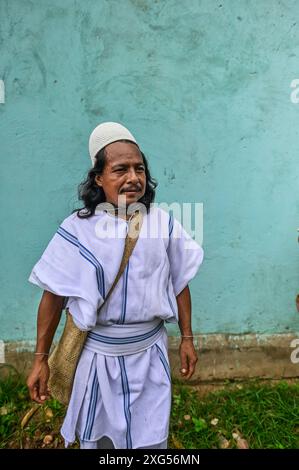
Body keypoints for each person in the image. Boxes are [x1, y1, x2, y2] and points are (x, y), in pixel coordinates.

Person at [26, 122, 204, 449]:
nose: (133, 178)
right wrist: (40, 358)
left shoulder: (163, 223)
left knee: (150, 441)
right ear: (99, 178)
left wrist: (188, 338)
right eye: (120, 169)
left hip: (150, 357)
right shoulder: (77, 229)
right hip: (98, 361)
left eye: (139, 169)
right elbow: (52, 296)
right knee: (102, 442)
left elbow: (180, 282)